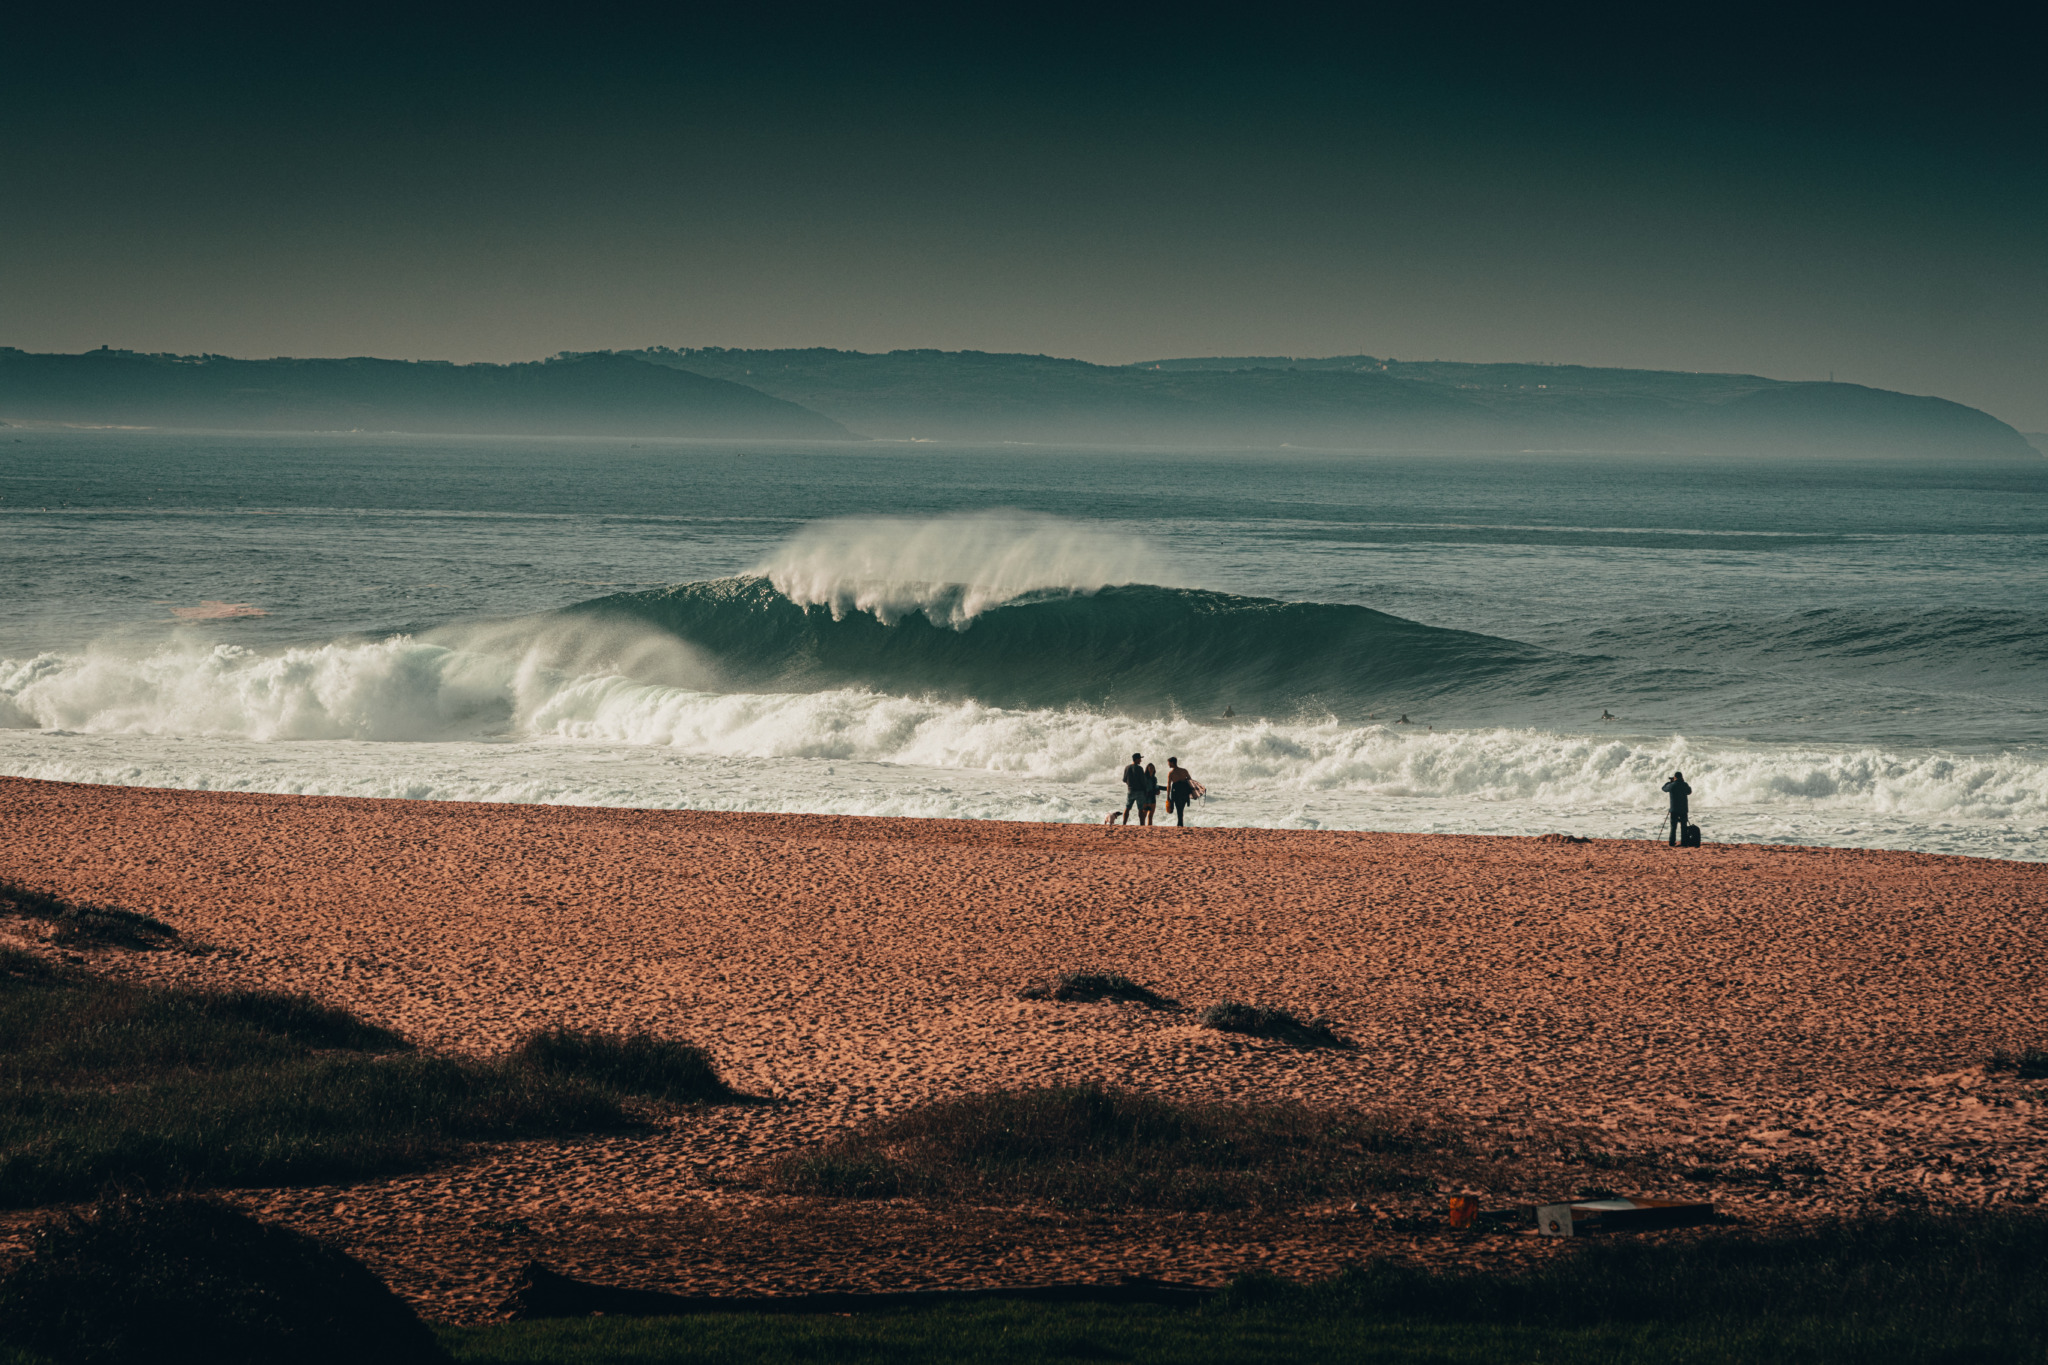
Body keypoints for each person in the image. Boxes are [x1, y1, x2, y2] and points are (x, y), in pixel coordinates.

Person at [1165, 756, 1205, 826]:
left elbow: (1169, 785)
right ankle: (1180, 823)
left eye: (1169, 763)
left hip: (1177, 793)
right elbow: (1190, 781)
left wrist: (1168, 797)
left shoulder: (1171, 773)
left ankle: (1180, 824)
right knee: (1181, 809)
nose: (1168, 764)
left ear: (1172, 763)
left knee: (1179, 809)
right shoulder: (1184, 771)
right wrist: (1194, 792)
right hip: (1184, 792)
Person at [1111, 752, 1147, 825]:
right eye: (1140, 759)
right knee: (1140, 809)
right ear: (1136, 759)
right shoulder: (1140, 768)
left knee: (1127, 808)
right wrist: (1145, 791)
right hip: (1139, 791)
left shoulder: (1127, 767)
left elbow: (1124, 780)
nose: (1141, 760)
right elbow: (1143, 781)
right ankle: (1142, 824)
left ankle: (1124, 823)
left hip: (1130, 790)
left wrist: (1129, 785)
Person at [1662, 770, 1693, 846]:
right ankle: (1684, 842)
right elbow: (1689, 791)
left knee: (1673, 827)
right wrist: (1684, 782)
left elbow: (1663, 788)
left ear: (1675, 777)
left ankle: (1672, 842)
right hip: (1683, 809)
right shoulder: (1684, 784)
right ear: (1681, 777)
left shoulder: (1672, 785)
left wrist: (1670, 782)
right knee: (1683, 827)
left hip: (1674, 809)